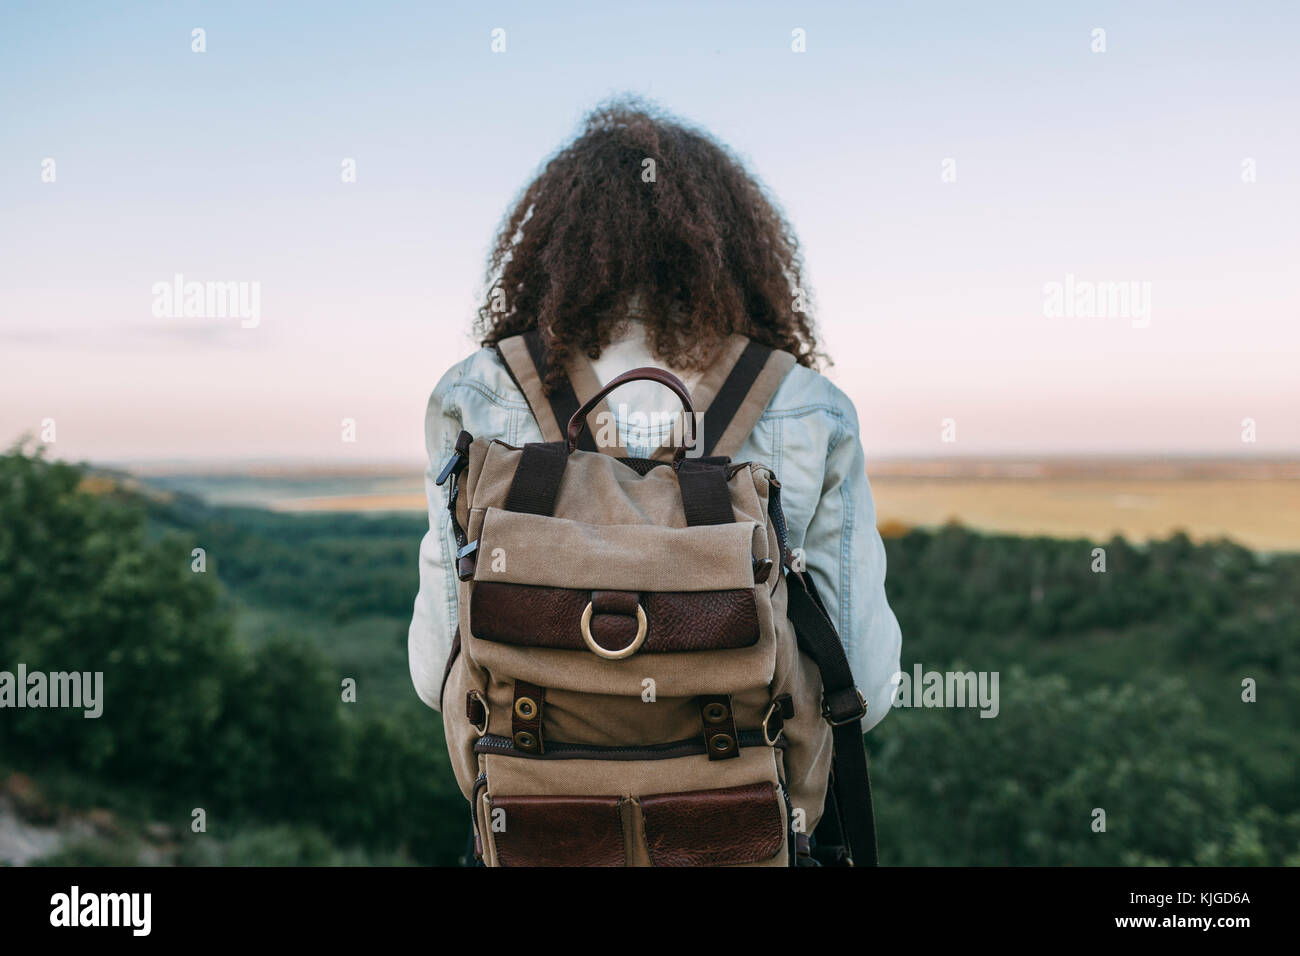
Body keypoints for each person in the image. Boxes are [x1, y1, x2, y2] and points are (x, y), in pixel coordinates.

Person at [408, 99, 901, 734]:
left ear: (550, 248)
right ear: (741, 254)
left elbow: (434, 673)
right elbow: (864, 688)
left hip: (534, 818)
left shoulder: (477, 395)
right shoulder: (805, 406)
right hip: (747, 816)